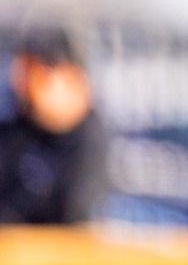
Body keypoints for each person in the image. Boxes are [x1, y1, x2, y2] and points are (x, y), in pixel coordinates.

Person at [0, 26, 109, 224]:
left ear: (74, 78)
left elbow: (75, 223)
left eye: (42, 73)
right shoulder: (15, 131)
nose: (28, 84)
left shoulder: (87, 143)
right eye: (25, 70)